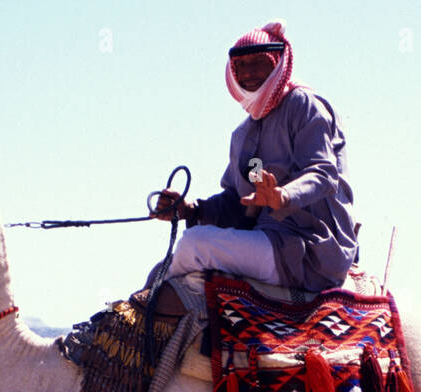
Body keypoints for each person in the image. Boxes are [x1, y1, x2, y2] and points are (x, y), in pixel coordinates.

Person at [152, 20, 357, 293]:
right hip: (264, 240)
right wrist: (192, 209)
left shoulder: (304, 105)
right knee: (162, 268)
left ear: (277, 64)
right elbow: (236, 202)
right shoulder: (243, 134)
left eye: (258, 62)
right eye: (241, 65)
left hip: (309, 248)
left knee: (193, 245)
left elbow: (323, 173)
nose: (248, 73)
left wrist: (283, 195)